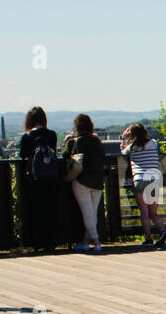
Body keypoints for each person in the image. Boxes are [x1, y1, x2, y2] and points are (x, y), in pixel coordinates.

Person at [16, 107, 63, 253]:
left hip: (33, 181)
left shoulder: (26, 137)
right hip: (51, 179)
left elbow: (22, 156)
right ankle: (51, 241)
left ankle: (37, 241)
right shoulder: (52, 135)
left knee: (35, 211)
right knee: (51, 210)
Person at [119, 123, 166, 248]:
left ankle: (148, 239)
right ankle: (163, 230)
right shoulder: (154, 143)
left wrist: (123, 137)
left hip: (140, 180)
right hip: (154, 179)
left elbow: (122, 152)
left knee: (144, 213)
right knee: (153, 213)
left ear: (133, 135)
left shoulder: (132, 147)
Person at [64, 114, 106, 252]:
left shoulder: (76, 142)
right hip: (98, 181)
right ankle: (85, 241)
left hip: (82, 180)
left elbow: (66, 155)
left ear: (77, 127)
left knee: (87, 212)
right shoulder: (97, 141)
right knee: (92, 213)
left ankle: (96, 240)